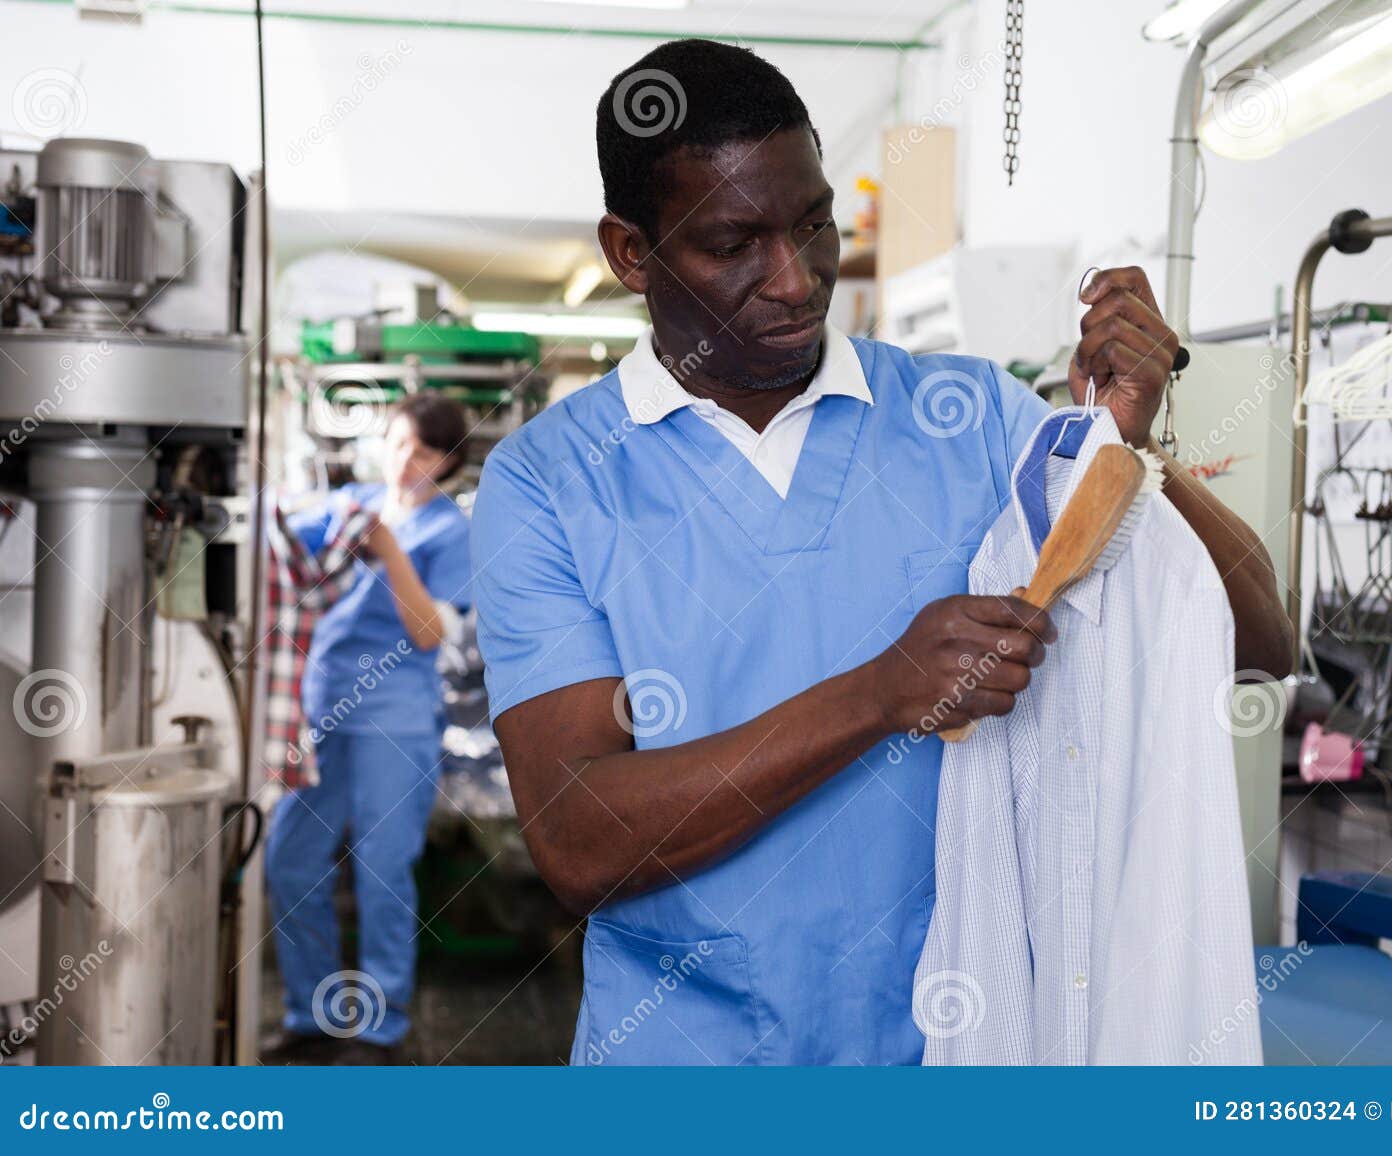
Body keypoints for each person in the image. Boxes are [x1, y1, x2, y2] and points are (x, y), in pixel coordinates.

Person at [471, 39, 1294, 1066]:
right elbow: (577, 840)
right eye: (734, 243)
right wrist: (879, 694)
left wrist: (1127, 452)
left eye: (814, 224)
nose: (795, 280)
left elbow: (1258, 644)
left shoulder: (969, 418)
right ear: (631, 254)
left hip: (953, 1056)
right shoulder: (552, 481)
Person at [262, 391, 473, 1064]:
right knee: (290, 861)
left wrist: (387, 549)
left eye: (427, 452)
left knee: (383, 871)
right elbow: (282, 553)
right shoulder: (348, 503)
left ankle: (381, 1027)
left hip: (394, 718)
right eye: (400, 443)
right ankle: (310, 1012)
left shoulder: (450, 531)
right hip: (320, 708)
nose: (408, 461)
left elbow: (431, 632)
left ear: (450, 464)